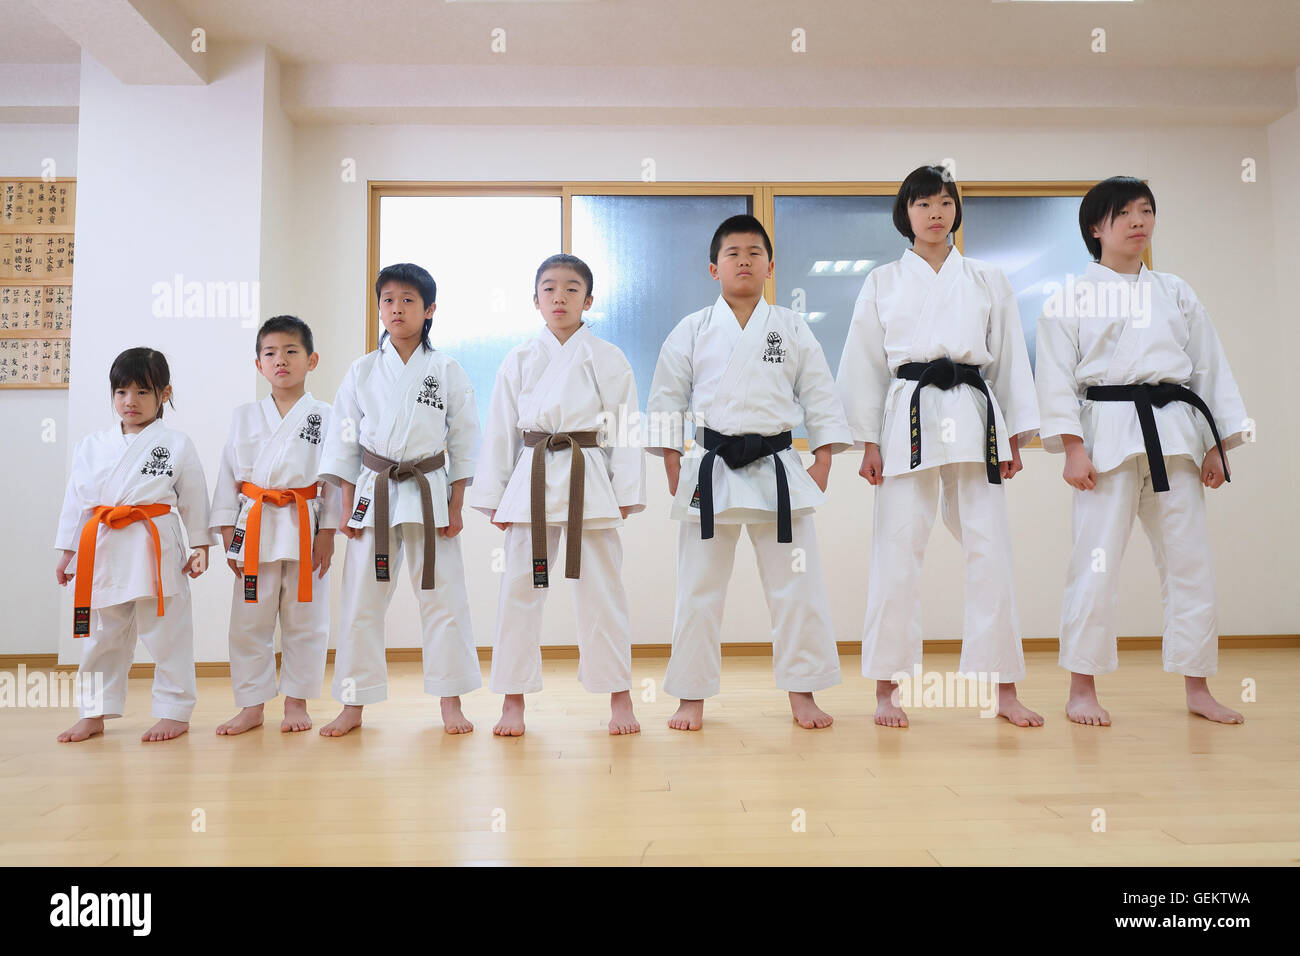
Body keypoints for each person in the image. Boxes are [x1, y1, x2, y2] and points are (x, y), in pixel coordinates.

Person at [1035, 176, 1249, 726]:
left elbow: (1209, 369)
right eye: (1125, 212)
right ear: (1095, 227)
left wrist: (1218, 446)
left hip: (1175, 434)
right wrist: (1072, 449)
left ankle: (1197, 686)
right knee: (1095, 563)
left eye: (1147, 211)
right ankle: (1081, 687)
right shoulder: (1069, 298)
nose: (1139, 221)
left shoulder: (1175, 291)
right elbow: (1056, 381)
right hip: (1105, 437)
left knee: (1190, 563)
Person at [836, 165, 1043, 729]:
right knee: (897, 553)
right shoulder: (881, 280)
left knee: (990, 549)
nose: (935, 213)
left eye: (945, 203)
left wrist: (1015, 434)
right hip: (909, 413)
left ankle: (1003, 689)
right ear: (905, 213)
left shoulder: (986, 278)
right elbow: (863, 364)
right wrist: (868, 443)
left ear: (956, 211)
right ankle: (887, 689)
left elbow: (1007, 360)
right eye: (923, 203)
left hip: (975, 413)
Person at [646, 214, 849, 732]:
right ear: (714, 268)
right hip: (709, 466)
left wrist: (823, 455)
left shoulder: (792, 327)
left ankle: (802, 691)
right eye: (732, 253)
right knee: (698, 587)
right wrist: (671, 459)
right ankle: (691, 695)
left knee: (796, 586)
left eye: (754, 253)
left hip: (778, 466)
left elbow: (820, 392)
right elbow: (668, 395)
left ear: (771, 266)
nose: (744, 261)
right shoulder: (691, 329)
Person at [470, 254, 645, 736]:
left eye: (571, 289)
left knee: (603, 594)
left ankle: (620, 697)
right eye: (549, 289)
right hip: (532, 478)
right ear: (535, 301)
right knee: (518, 594)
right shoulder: (520, 359)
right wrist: (493, 495)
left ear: (588, 300)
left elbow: (625, 424)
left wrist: (627, 488)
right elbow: (501, 428)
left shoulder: (609, 357)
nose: (560, 297)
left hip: (589, 480)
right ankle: (512, 699)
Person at [316, 263, 481, 737]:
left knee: (443, 595)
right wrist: (346, 503)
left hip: (429, 489)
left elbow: (465, 439)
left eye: (408, 300)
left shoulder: (446, 369)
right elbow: (345, 441)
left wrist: (457, 504)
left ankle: (450, 700)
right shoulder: (362, 370)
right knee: (361, 601)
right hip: (374, 491)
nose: (396, 308)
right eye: (387, 299)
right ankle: (353, 703)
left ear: (429, 310)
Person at [54, 347, 214, 742]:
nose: (130, 401)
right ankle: (94, 711)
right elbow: (76, 502)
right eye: (122, 392)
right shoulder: (91, 446)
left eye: (143, 392)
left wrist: (200, 546)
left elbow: (194, 496)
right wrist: (67, 551)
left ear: (164, 394)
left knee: (168, 632)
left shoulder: (176, 443)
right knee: (102, 634)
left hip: (154, 544)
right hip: (104, 547)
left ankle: (174, 711)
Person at [211, 315, 340, 735]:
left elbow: (335, 479)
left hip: (305, 525)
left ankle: (297, 702)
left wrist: (328, 533)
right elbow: (228, 477)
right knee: (249, 621)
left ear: (312, 359)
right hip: (255, 529)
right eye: (270, 353)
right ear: (258, 364)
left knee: (306, 619)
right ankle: (251, 705)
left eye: (291, 351)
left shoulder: (327, 416)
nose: (280, 360)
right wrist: (229, 533)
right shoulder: (244, 416)